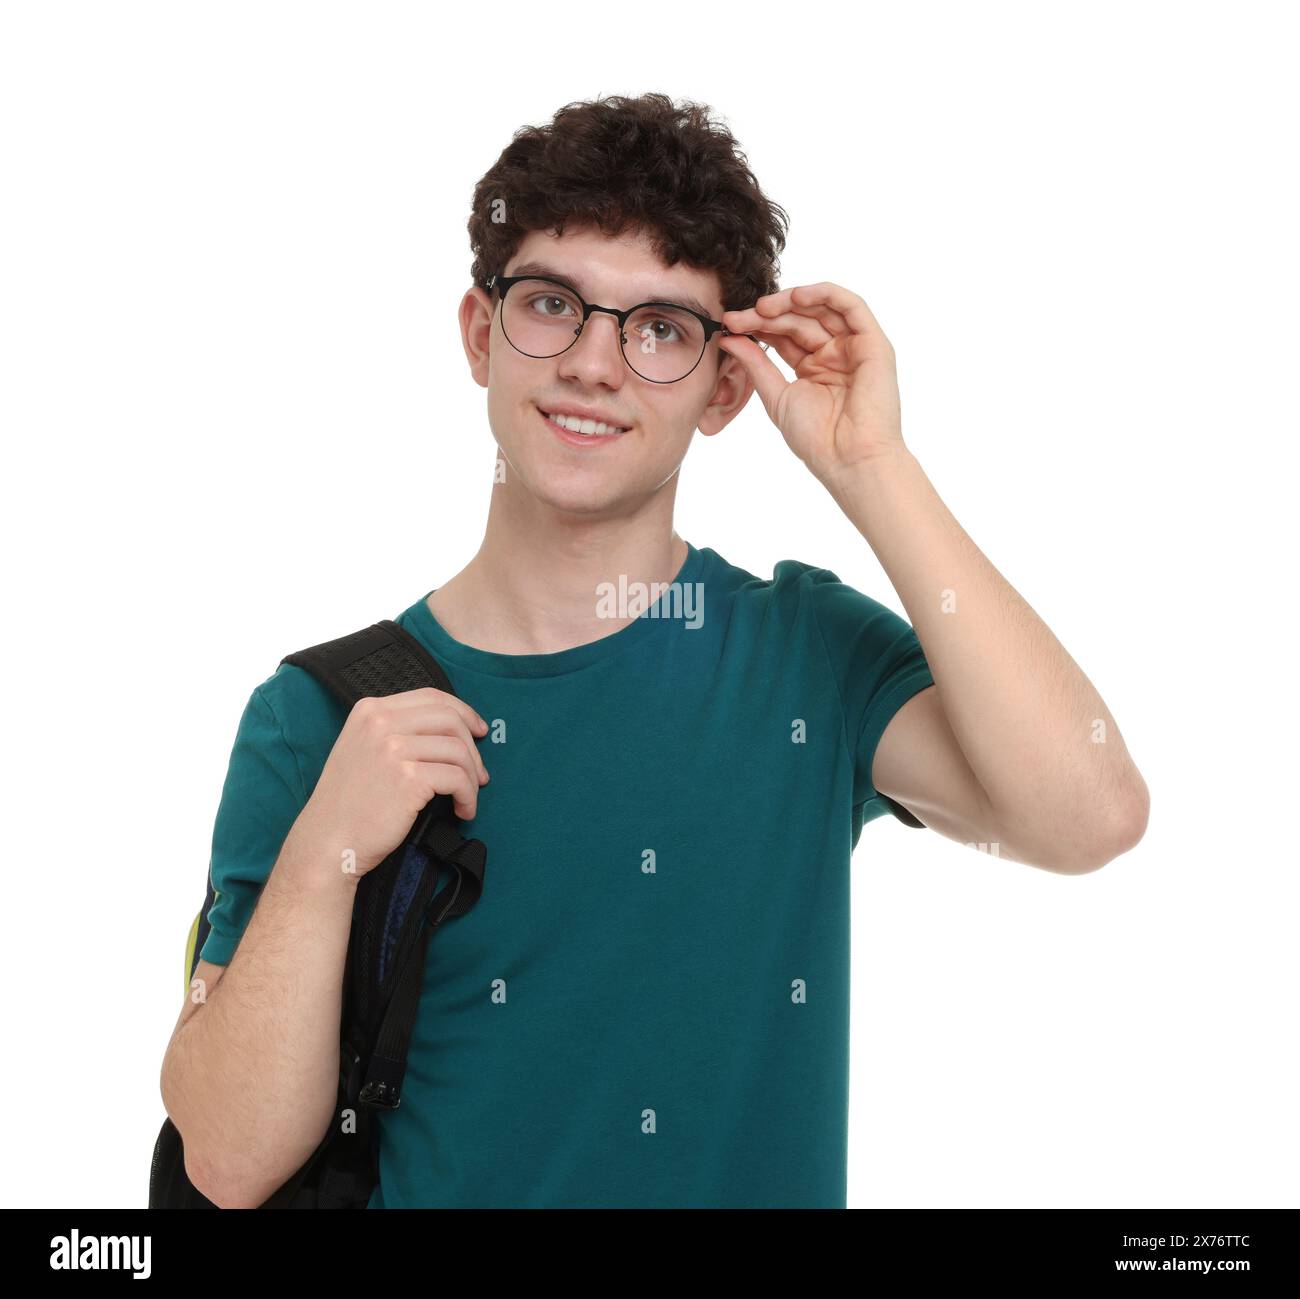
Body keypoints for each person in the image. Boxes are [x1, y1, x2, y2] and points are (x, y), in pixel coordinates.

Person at [159, 91, 1150, 1209]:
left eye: (661, 328)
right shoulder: (317, 714)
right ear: (481, 336)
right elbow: (230, 1161)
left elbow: (1089, 814)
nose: (593, 364)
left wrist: (872, 469)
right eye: (551, 306)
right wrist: (326, 849)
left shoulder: (803, 657)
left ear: (726, 388)